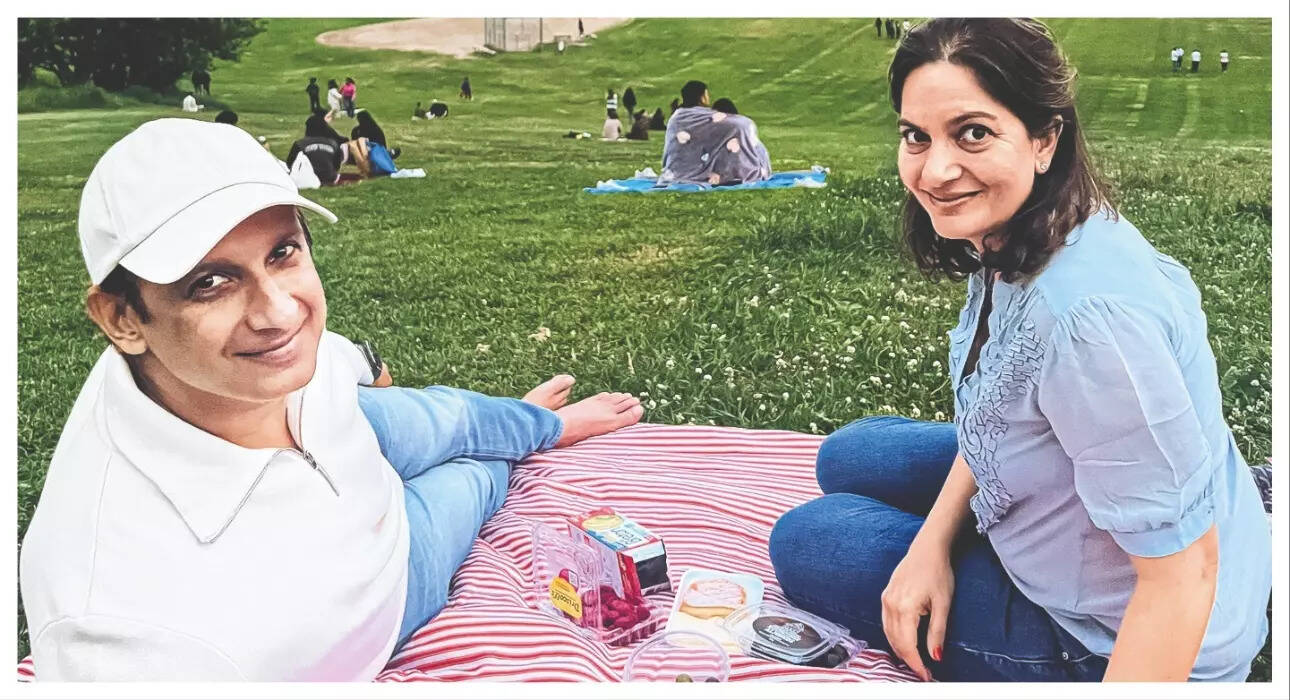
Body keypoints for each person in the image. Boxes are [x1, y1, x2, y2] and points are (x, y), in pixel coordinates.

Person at [18, 118, 645, 680]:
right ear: (121, 319)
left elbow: (336, 353)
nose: (279, 314)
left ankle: (541, 425)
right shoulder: (123, 634)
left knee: (458, 416)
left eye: (282, 252)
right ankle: (518, 443)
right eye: (211, 283)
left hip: (340, 426)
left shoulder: (252, 367)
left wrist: (368, 367)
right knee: (477, 478)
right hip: (393, 584)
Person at [768, 18, 1270, 683]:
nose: (935, 171)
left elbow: (1183, 577)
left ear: (1044, 139)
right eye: (916, 135)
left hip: (1115, 633)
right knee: (851, 453)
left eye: (973, 133)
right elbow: (998, 405)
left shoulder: (1089, 322)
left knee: (809, 539)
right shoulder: (1035, 227)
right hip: (1083, 511)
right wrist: (930, 544)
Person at [660, 80, 772, 186]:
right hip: (696, 170)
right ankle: (742, 170)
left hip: (676, 169)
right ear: (702, 97)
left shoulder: (676, 117)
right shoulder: (708, 118)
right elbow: (741, 125)